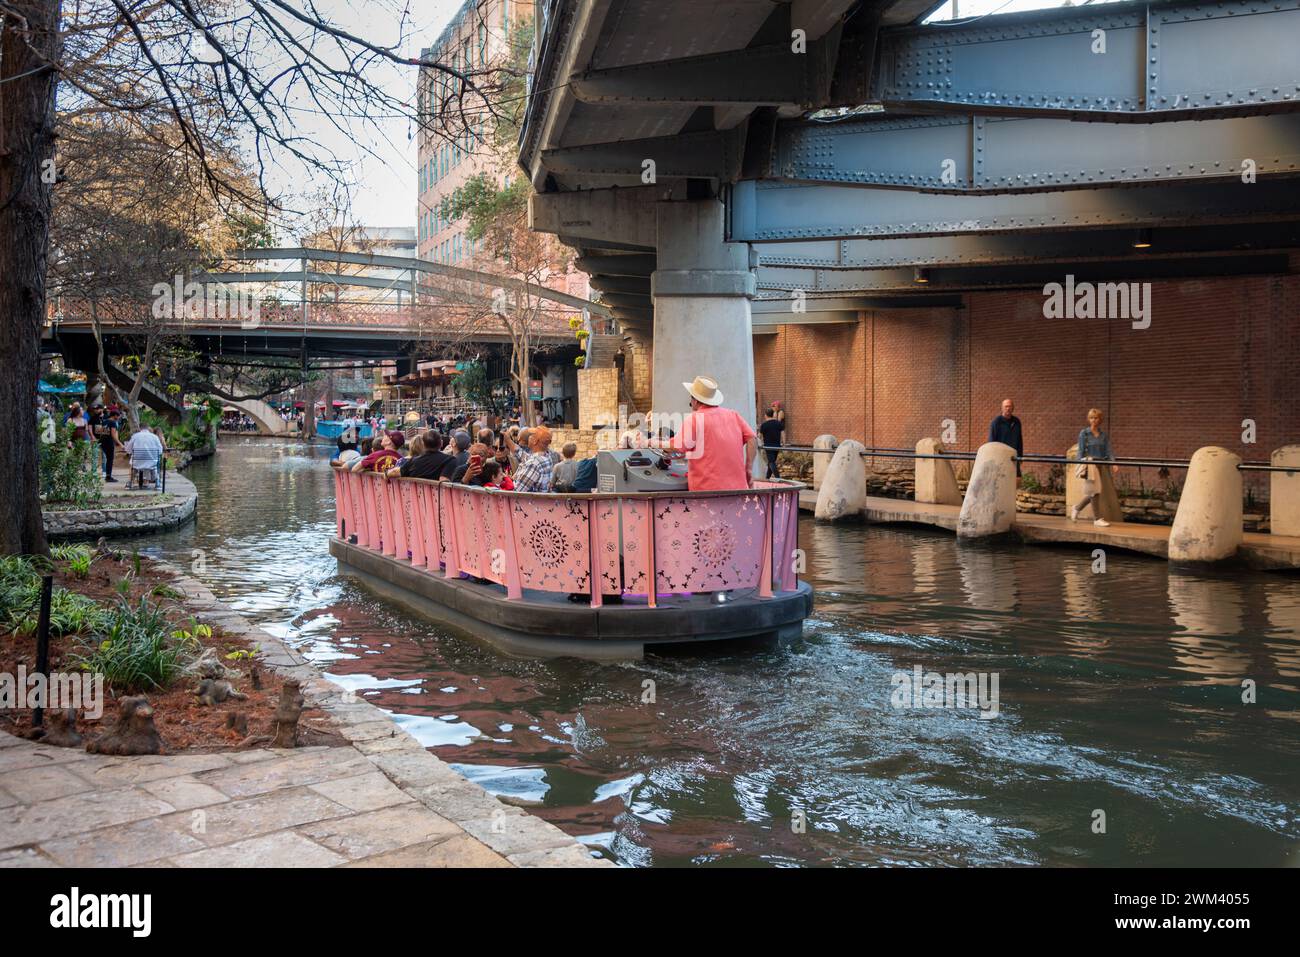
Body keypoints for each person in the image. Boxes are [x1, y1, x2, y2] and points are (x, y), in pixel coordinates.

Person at [659, 376, 756, 492]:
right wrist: (749, 468)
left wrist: (650, 442)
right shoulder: (733, 415)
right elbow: (752, 438)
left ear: (695, 400)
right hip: (737, 490)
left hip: (707, 492)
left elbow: (676, 446)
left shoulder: (694, 418)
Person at [1069, 408, 1119, 528]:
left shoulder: (1103, 435)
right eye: (1091, 418)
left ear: (1100, 419)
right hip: (1090, 464)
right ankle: (1097, 519)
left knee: (1094, 491)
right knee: (1095, 491)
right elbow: (1080, 451)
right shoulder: (1084, 434)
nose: (1093, 420)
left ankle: (1077, 508)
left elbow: (1108, 450)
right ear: (1088, 419)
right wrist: (1079, 465)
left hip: (1100, 465)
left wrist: (1114, 463)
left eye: (1096, 418)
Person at [505, 425, 556, 492]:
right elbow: (523, 455)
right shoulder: (547, 456)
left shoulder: (533, 463)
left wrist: (507, 479)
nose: (529, 437)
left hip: (528, 502)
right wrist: (508, 440)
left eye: (531, 436)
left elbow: (517, 491)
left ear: (535, 441)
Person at [988, 398, 1024, 478]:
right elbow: (991, 442)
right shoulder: (996, 422)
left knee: (1016, 479)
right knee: (1002, 480)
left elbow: (1019, 440)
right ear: (1002, 408)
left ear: (1013, 408)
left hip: (1014, 457)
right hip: (1001, 457)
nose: (1008, 408)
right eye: (1006, 406)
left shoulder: (1017, 422)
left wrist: (1020, 456)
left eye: (1010, 406)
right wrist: (993, 458)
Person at [90, 404, 124, 482]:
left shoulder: (104, 421)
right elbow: (113, 435)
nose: (119, 418)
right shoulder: (112, 423)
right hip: (109, 442)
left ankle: (108, 475)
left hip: (103, 442)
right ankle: (108, 477)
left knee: (108, 459)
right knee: (110, 459)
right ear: (115, 415)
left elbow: (99, 431)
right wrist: (120, 444)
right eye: (118, 416)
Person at [125, 424, 164, 489]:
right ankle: (157, 483)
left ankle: (130, 482)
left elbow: (128, 449)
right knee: (152, 462)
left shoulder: (135, 436)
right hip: (151, 462)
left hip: (137, 462)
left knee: (132, 464)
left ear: (140, 429)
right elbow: (160, 450)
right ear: (148, 428)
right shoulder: (155, 437)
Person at [758, 407, 784, 480]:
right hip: (777, 446)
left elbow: (759, 436)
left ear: (765, 415)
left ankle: (778, 478)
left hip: (768, 446)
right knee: (771, 461)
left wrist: (760, 442)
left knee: (771, 462)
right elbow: (783, 433)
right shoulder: (778, 423)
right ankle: (767, 478)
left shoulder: (764, 425)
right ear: (772, 415)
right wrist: (783, 443)